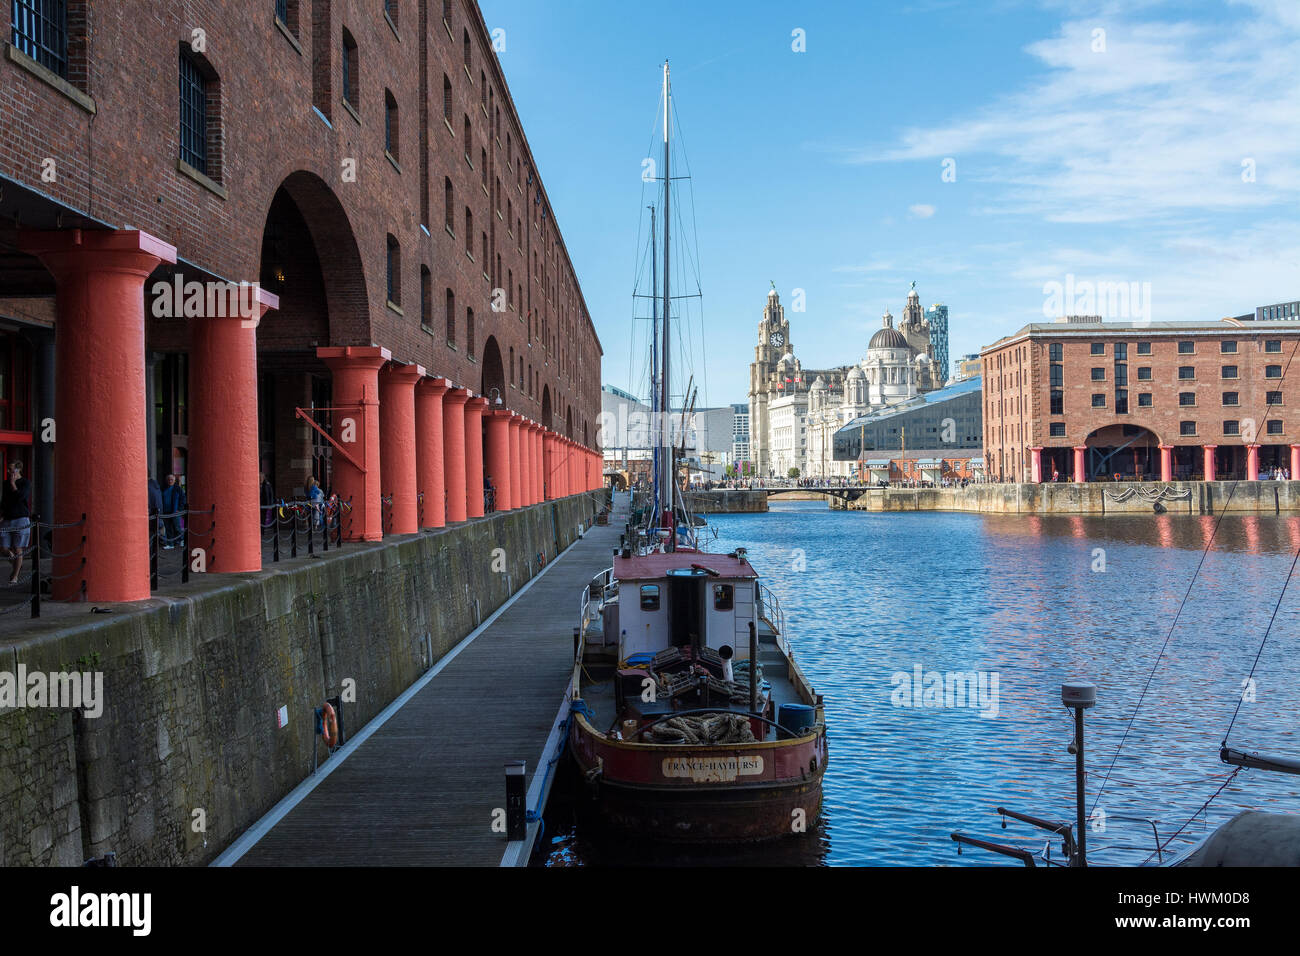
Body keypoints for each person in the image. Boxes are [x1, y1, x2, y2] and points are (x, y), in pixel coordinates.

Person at [1, 461, 32, 584]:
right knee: (3, 548)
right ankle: (17, 563)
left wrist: (13, 484)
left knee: (18, 548)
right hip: (7, 519)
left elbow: (21, 497)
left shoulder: (25, 482)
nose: (9, 472)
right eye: (8, 469)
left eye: (11, 469)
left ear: (19, 470)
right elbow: (4, 501)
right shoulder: (5, 483)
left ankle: (15, 575)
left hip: (21, 518)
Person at [160, 474, 186, 548]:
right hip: (166, 512)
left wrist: (179, 509)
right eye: (168, 479)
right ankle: (170, 544)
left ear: (174, 480)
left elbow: (183, 499)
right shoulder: (163, 488)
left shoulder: (178, 488)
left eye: (171, 479)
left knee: (177, 528)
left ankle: (182, 540)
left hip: (175, 512)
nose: (170, 481)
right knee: (168, 529)